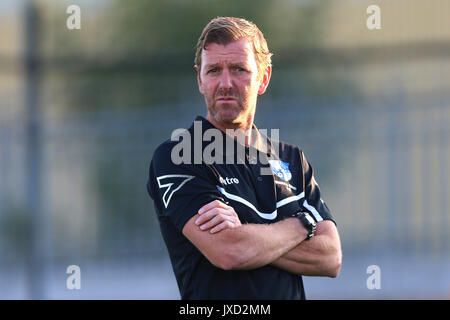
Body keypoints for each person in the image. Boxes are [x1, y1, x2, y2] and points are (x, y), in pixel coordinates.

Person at [147, 17, 342, 300]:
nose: (225, 83)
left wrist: (245, 230)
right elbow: (230, 251)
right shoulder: (178, 157)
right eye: (214, 70)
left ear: (263, 78)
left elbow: (331, 257)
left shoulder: (292, 159)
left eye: (239, 69)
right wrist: (303, 224)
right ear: (200, 79)